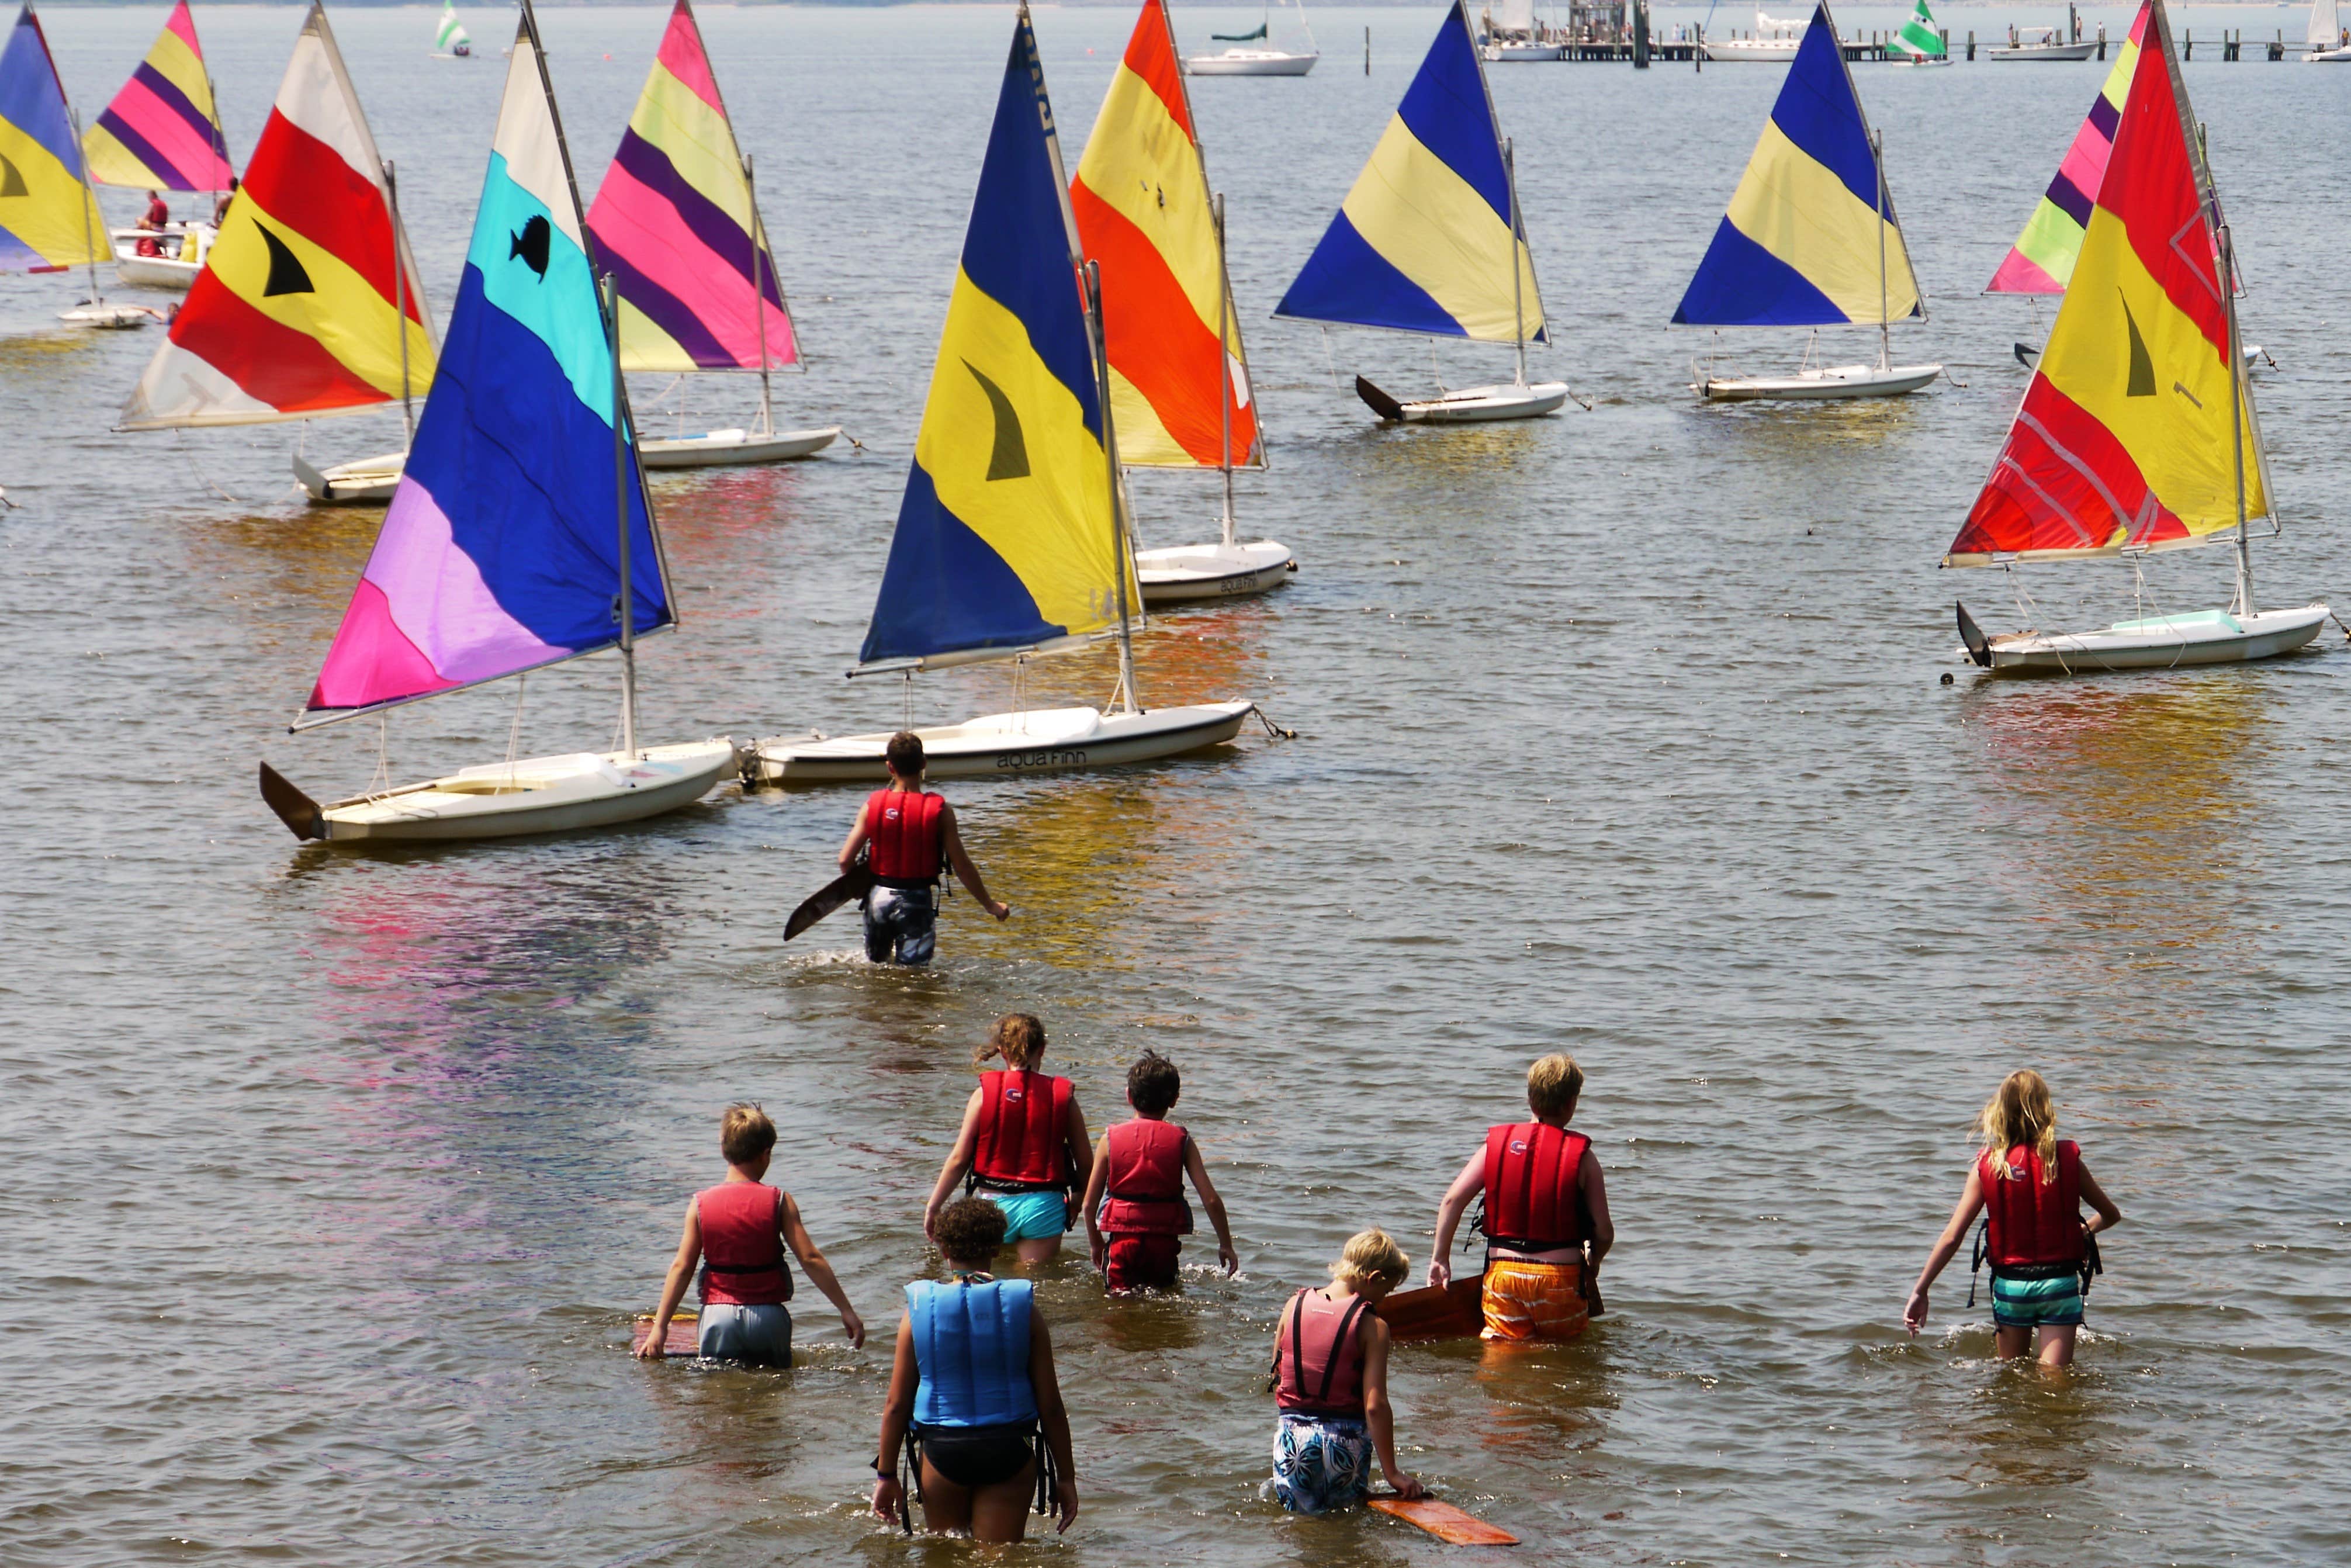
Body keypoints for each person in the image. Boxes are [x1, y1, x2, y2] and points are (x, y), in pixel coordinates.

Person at [871, 1197, 1079, 1541]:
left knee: (948, 1554)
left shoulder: (917, 1314)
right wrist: (1066, 1479)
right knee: (1000, 1558)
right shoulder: (1026, 1311)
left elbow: (896, 1403)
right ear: (998, 1248)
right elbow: (1051, 1405)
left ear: (943, 1250)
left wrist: (886, 1476)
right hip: (1009, 1448)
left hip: (943, 1451)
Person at [1905, 1069, 2122, 1368]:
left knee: (2012, 1376)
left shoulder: (1988, 1165)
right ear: (2046, 1110)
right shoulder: (2065, 1159)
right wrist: (2082, 1234)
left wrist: (1921, 1290)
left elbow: (1952, 1237)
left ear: (2000, 1111)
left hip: (2011, 1288)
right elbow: (2111, 1215)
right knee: (2055, 1382)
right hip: (2058, 1284)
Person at [636, 1103, 865, 1366]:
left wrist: (660, 1328)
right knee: (773, 1395)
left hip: (717, 1317)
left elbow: (682, 1267)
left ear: (724, 1151)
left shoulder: (700, 1204)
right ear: (766, 1154)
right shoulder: (779, 1201)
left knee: (718, 1394)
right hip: (768, 1318)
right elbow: (811, 1258)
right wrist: (846, 1310)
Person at [1426, 1053, 1613, 1341]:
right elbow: (1603, 1231)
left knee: (1503, 1358)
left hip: (1504, 1278)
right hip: (1559, 1281)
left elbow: (1452, 1201)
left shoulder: (1495, 1147)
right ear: (1571, 1104)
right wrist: (1595, 1260)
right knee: (1563, 1359)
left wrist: (1441, 1258)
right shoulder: (1584, 1159)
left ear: (1530, 1098)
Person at [1265, 1229, 1426, 1514]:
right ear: (1373, 1278)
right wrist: (1392, 1474)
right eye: (1386, 1291)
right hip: (1343, 1444)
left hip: (1291, 1440)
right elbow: (1375, 1406)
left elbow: (1278, 1371)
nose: (1385, 1300)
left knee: (1299, 1525)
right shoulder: (1373, 1327)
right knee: (1344, 1524)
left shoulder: (1293, 1306)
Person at [924, 1015, 1091, 1265]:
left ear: (1002, 1052)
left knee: (992, 1279)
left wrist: (934, 1207)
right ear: (1042, 1050)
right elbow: (1086, 1162)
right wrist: (1078, 1201)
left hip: (993, 1205)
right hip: (1043, 1206)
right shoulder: (1064, 1099)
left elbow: (959, 1159)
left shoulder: (983, 1096)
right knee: (1035, 1284)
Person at [835, 731, 1007, 965]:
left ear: (890, 767)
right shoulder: (941, 811)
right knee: (913, 979)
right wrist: (990, 905)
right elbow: (962, 865)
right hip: (916, 902)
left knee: (876, 971)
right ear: (924, 764)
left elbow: (845, 860)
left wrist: (856, 889)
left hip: (878, 900)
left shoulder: (871, 807)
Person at [1078, 1050, 1237, 1292]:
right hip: (1163, 1247)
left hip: (1122, 1245)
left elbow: (1089, 1204)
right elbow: (1211, 1199)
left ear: (1129, 1096)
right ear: (1174, 1100)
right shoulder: (1183, 1141)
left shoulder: (1109, 1140)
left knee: (1118, 1309)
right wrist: (1226, 1244)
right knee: (1164, 1298)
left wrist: (1095, 1244)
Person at [135, 191, 168, 258]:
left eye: (149, 197)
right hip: (163, 227)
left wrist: (139, 227)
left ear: (152, 196)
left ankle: (138, 250)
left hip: (155, 227)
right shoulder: (163, 203)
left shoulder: (153, 204)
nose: (148, 199)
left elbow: (146, 217)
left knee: (138, 219)